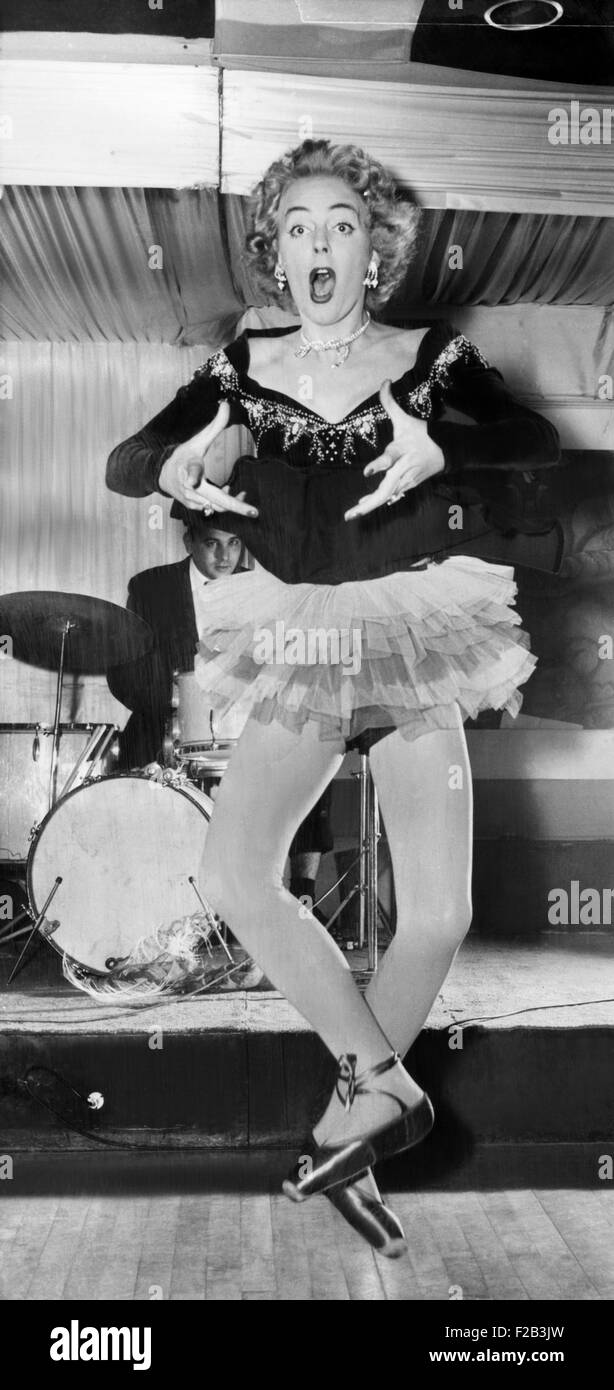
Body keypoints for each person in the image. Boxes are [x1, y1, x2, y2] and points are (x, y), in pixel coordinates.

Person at [107, 138, 560, 1257]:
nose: (320, 242)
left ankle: (348, 1124)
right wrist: (171, 465)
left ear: (374, 253)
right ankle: (381, 1090)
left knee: (441, 913)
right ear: (274, 250)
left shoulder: (429, 358)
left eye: (342, 225)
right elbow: (128, 460)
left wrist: (442, 459)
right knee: (230, 870)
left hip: (413, 626)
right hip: (301, 635)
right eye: (298, 225)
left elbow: (535, 442)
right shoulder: (238, 369)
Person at [107, 510, 334, 916]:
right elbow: (123, 669)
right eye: (213, 543)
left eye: (234, 544)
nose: (225, 556)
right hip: (167, 718)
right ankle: (148, 901)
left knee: (311, 749)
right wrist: (175, 703)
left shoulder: (265, 589)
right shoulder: (151, 588)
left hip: (245, 725)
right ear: (189, 541)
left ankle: (302, 897)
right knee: (131, 762)